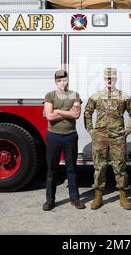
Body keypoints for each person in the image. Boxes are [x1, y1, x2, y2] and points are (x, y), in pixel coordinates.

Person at [84, 68, 131, 210]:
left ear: (116, 79)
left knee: (119, 166)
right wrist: (90, 130)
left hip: (117, 137)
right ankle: (98, 196)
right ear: (104, 79)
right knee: (99, 166)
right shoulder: (96, 97)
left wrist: (127, 130)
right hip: (100, 137)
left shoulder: (124, 97)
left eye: (112, 78)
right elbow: (87, 112)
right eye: (107, 78)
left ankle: (123, 196)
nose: (109, 81)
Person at [42, 69, 85, 211]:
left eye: (64, 80)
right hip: (53, 136)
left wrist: (58, 111)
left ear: (68, 80)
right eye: (59, 80)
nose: (62, 82)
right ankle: (50, 200)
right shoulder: (50, 95)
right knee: (51, 170)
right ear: (55, 81)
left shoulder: (74, 94)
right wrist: (68, 113)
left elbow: (76, 115)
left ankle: (75, 199)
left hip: (70, 136)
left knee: (71, 169)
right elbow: (49, 116)